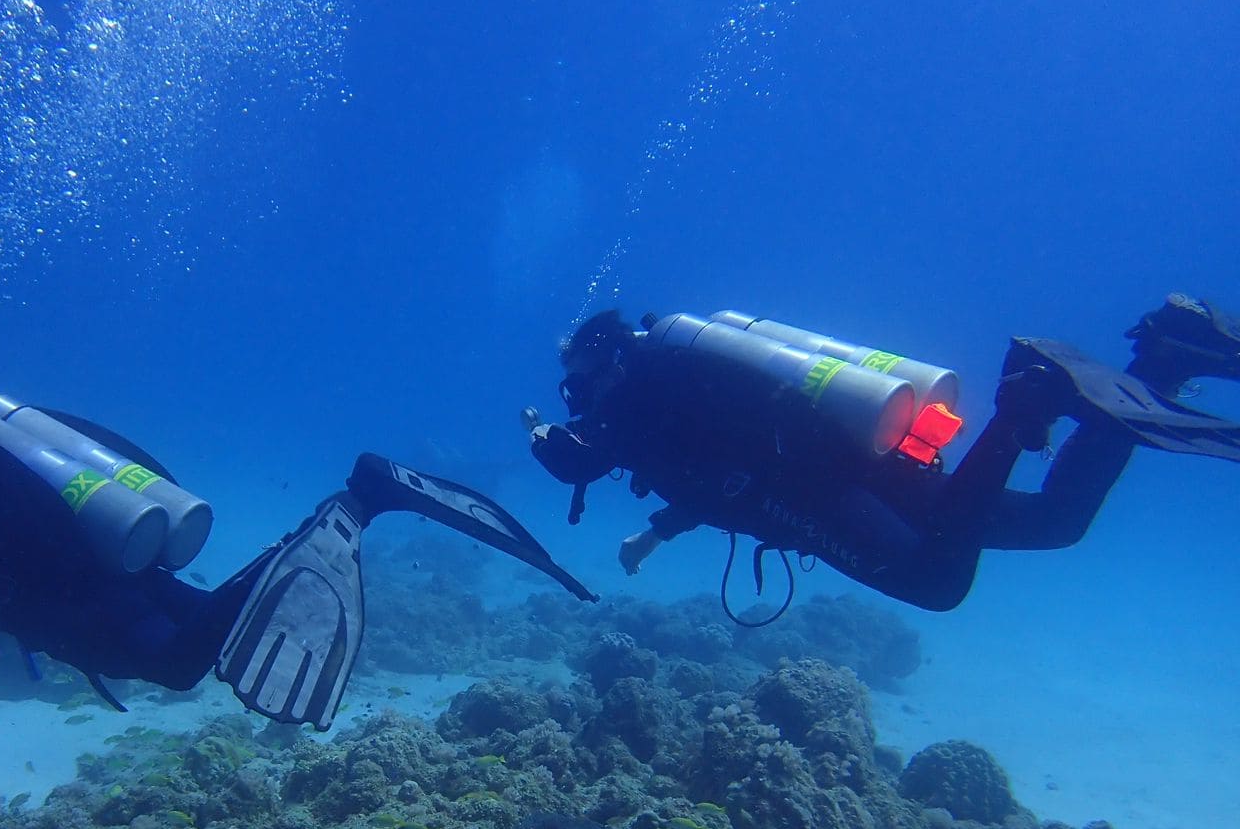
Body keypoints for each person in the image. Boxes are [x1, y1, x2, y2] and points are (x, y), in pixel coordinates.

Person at [0, 386, 594, 729]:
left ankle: (351, 503)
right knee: (207, 636)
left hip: (61, 590)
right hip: (112, 545)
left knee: (181, 663)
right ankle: (349, 504)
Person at [527, 295, 1240, 619]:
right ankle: (1162, 364)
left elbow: (576, 463)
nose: (575, 399)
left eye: (575, 384)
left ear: (601, 364)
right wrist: (655, 534)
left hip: (819, 494)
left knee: (936, 583)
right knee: (1055, 522)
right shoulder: (673, 378)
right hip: (861, 459)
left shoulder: (631, 398)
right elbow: (710, 462)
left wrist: (538, 435)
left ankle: (1022, 408)